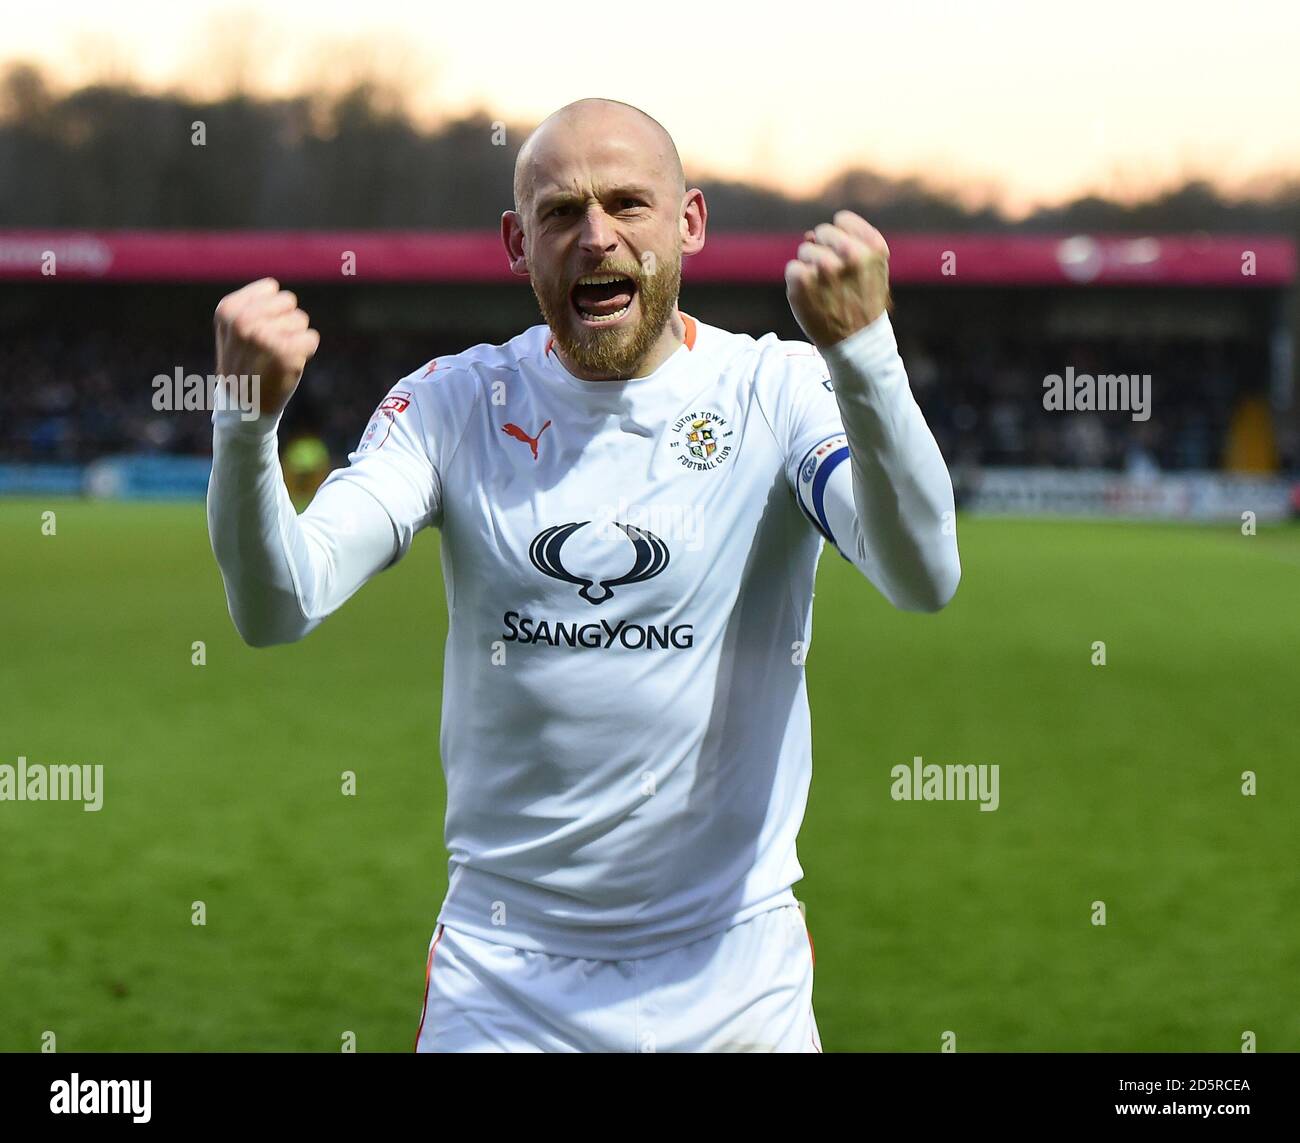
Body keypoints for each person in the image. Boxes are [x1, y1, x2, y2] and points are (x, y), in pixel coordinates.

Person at [206, 98, 961, 1053]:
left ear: (689, 221)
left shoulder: (775, 390)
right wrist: (243, 424)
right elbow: (279, 605)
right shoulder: (452, 405)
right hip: (505, 979)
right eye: (561, 214)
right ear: (518, 244)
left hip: (736, 979)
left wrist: (864, 353)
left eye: (627, 204)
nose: (596, 236)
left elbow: (924, 573)